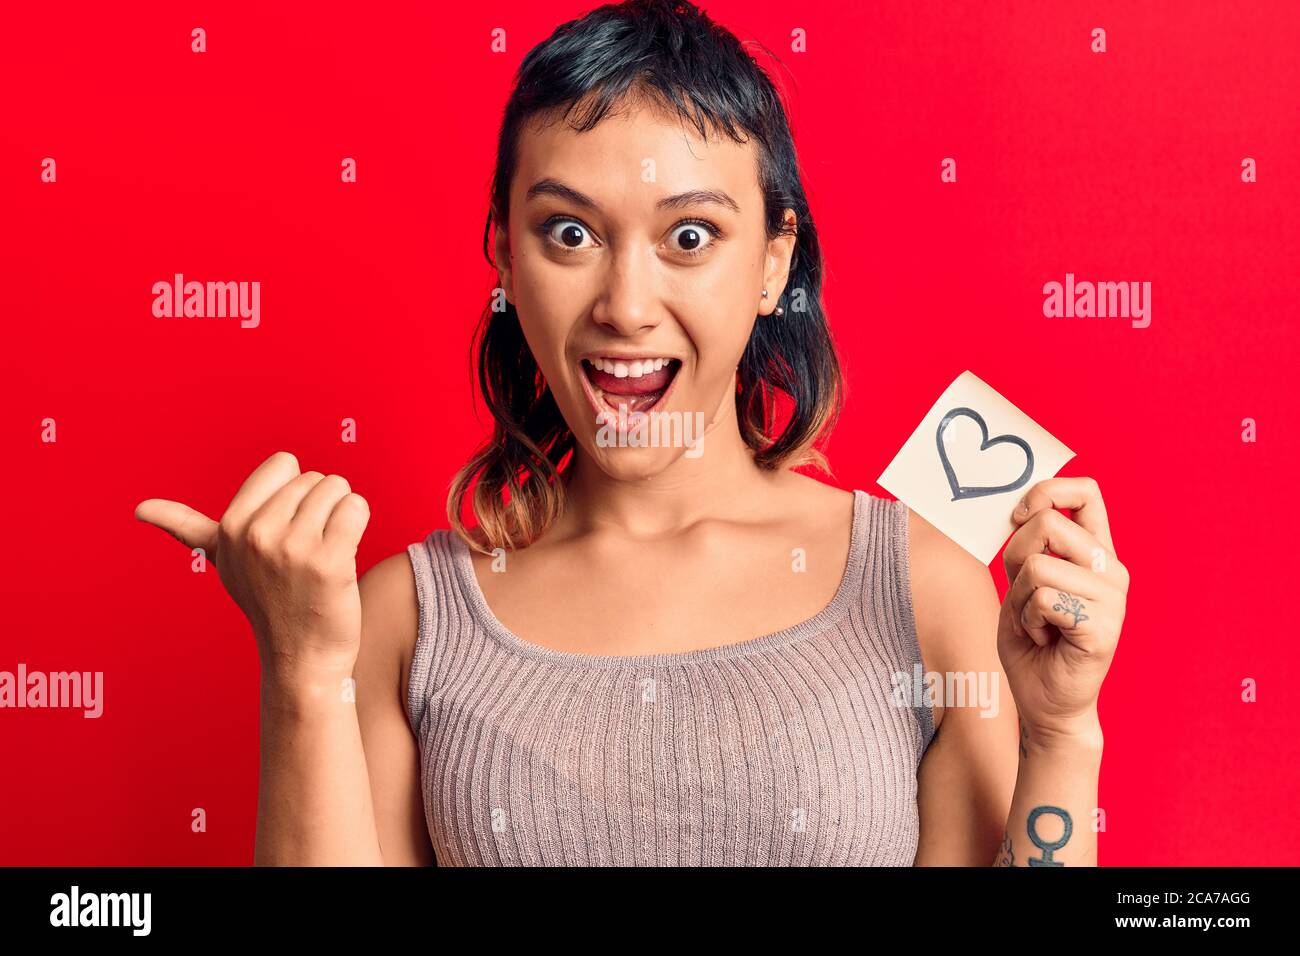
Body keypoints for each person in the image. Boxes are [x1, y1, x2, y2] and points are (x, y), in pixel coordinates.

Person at [135, 0, 1128, 866]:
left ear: (775, 258)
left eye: (688, 236)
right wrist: (302, 670)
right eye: (569, 232)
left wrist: (1060, 730)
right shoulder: (403, 618)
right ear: (501, 253)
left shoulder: (925, 590)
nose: (625, 304)